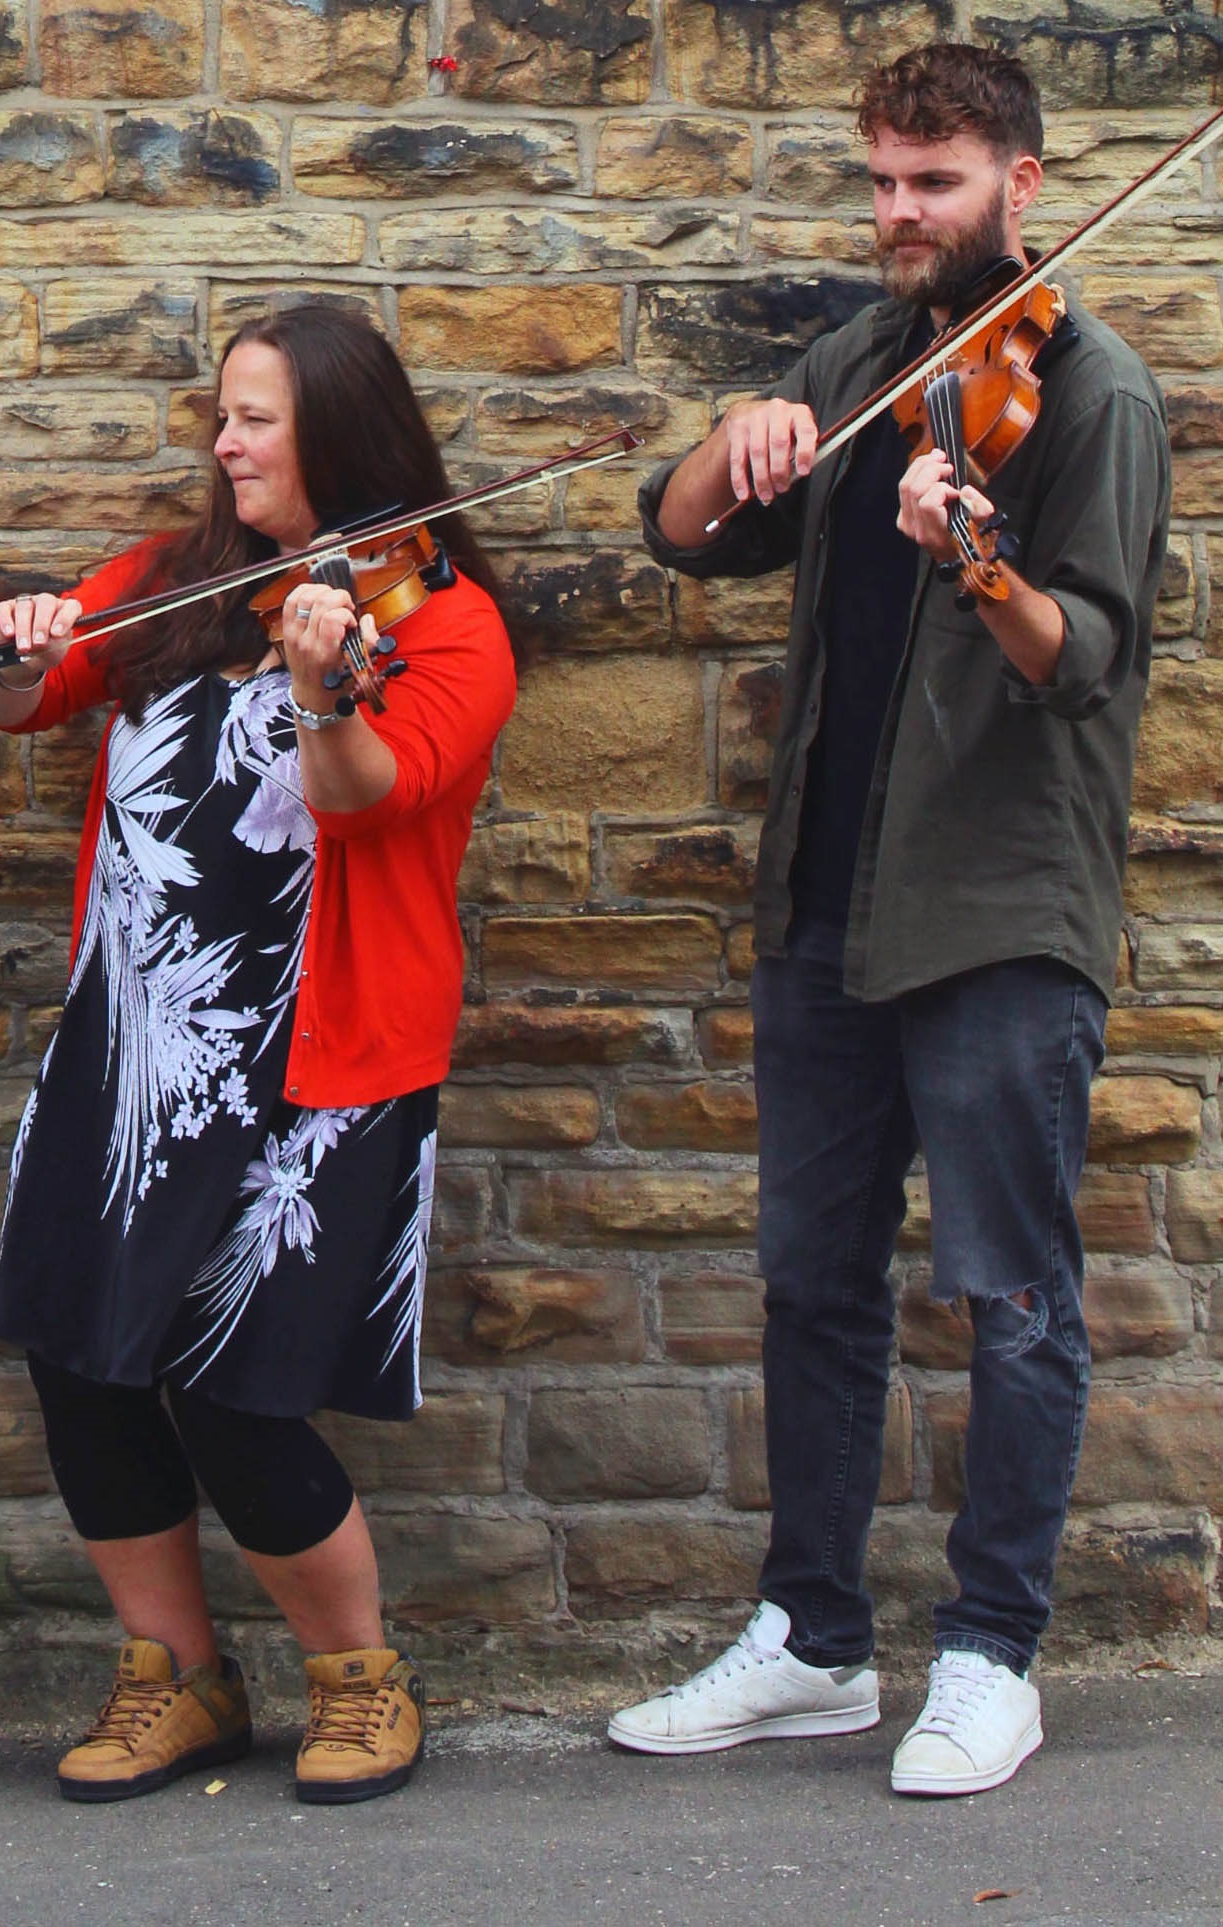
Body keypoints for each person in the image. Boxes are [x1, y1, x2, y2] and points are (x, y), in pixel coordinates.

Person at [614, 44, 1169, 1797]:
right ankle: (813, 1642)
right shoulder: (858, 363)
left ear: (1021, 180)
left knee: (1012, 1295)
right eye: (882, 181)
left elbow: (1088, 663)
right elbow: (683, 535)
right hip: (827, 899)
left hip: (996, 909)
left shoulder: (1094, 394)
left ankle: (993, 1654)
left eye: (934, 182)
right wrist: (731, 441)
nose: (901, 213)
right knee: (812, 1285)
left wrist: (975, 561)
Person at [0, 303, 517, 1807]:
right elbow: (11, 701)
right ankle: (178, 1680)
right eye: (223, 416)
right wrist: (10, 651)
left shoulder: (448, 623)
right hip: (129, 1047)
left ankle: (359, 1679)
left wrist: (326, 690)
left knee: (238, 1389)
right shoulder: (171, 581)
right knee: (81, 1366)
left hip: (315, 1071)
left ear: (337, 431)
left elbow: (367, 795)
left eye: (254, 420)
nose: (223, 444)